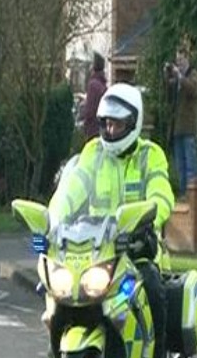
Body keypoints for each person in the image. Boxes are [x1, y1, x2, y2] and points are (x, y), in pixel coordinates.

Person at [48, 82, 174, 358]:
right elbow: (71, 190)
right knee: (57, 294)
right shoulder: (94, 153)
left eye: (117, 125)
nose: (111, 131)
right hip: (96, 251)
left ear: (133, 123)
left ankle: (159, 353)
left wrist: (148, 223)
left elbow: (161, 196)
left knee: (153, 287)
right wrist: (52, 220)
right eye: (106, 124)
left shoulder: (149, 155)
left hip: (140, 250)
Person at [166, 42, 197, 197]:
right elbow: (168, 96)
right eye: (177, 61)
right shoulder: (177, 80)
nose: (178, 64)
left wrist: (179, 77)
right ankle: (183, 195)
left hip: (188, 128)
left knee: (190, 166)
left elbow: (193, 90)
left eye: (181, 60)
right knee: (180, 166)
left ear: (187, 59)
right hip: (176, 128)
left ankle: (193, 196)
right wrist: (167, 77)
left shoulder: (193, 74)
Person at [80, 52, 107, 141]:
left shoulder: (93, 85)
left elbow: (90, 110)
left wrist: (86, 124)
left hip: (93, 129)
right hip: (101, 128)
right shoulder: (103, 85)